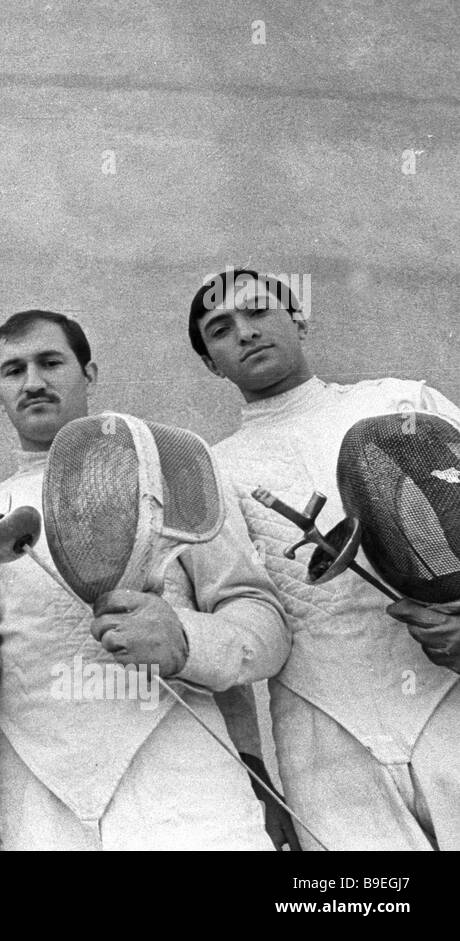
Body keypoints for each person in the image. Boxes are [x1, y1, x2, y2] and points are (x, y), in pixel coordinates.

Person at [0, 309, 290, 850]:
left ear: (89, 374)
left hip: (184, 779)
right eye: (14, 370)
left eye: (51, 363)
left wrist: (185, 640)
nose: (33, 382)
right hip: (41, 804)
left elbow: (262, 620)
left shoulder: (170, 465)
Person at [191, 268, 460, 849]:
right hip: (322, 737)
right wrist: (254, 774)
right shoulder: (213, 471)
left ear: (299, 319)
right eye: (220, 329)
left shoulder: (401, 403)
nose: (245, 332)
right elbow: (232, 614)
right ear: (211, 364)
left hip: (448, 695)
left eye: (260, 311)